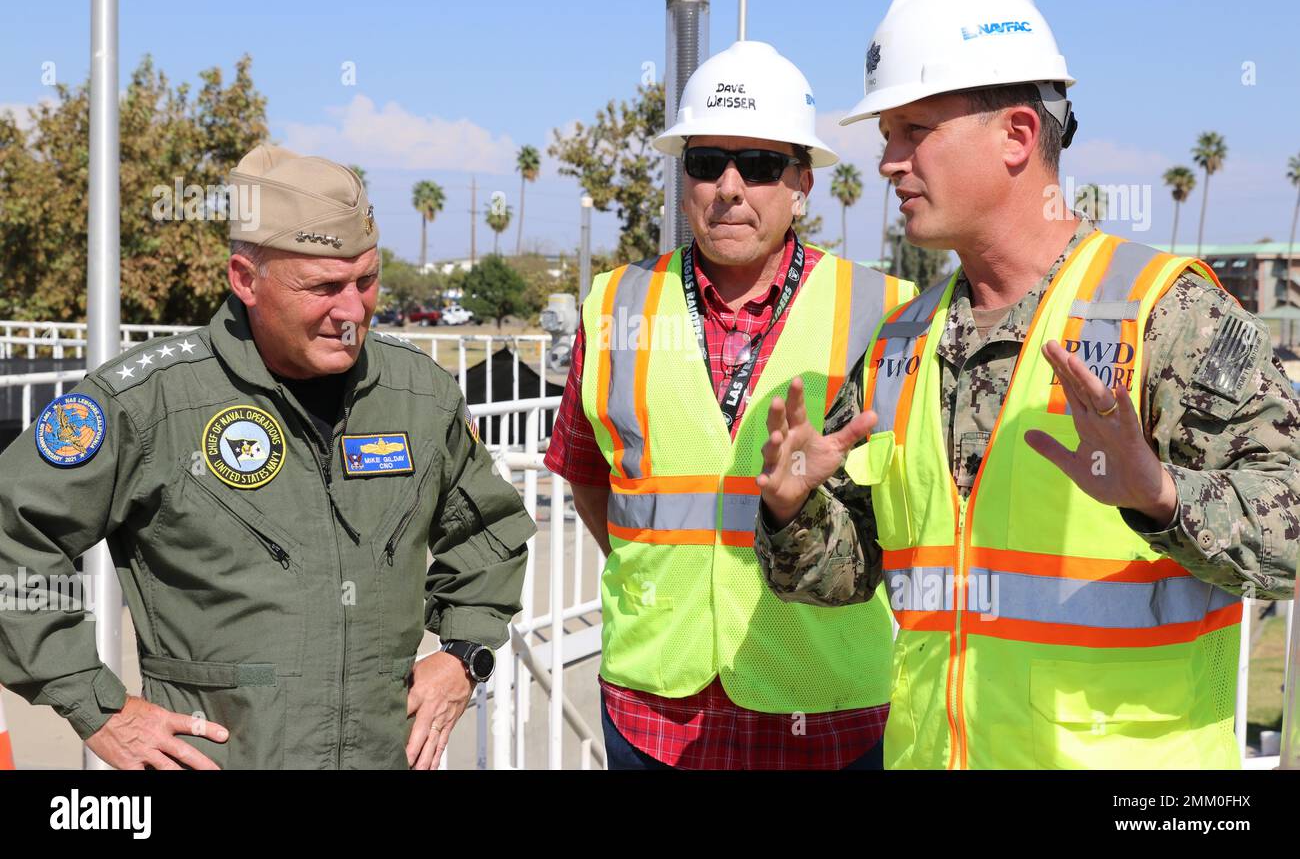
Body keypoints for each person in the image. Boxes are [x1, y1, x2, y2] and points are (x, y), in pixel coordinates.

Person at [754, 0, 1300, 769]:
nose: (887, 163)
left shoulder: (1164, 313)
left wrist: (1163, 497)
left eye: (912, 130)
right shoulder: (901, 342)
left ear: (1015, 135)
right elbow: (850, 573)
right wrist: (791, 512)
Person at [0, 144, 535, 769]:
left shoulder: (419, 395)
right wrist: (96, 706)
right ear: (245, 280)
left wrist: (464, 656)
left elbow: (489, 531)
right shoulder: (149, 404)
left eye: (367, 281)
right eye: (324, 287)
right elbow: (14, 536)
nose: (352, 312)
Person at [545, 40, 916, 769]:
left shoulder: (887, 313)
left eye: (762, 165)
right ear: (684, 177)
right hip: (655, 708)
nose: (730, 186)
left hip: (828, 703)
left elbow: (914, 508)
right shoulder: (617, 304)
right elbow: (588, 475)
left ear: (802, 181)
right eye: (707, 162)